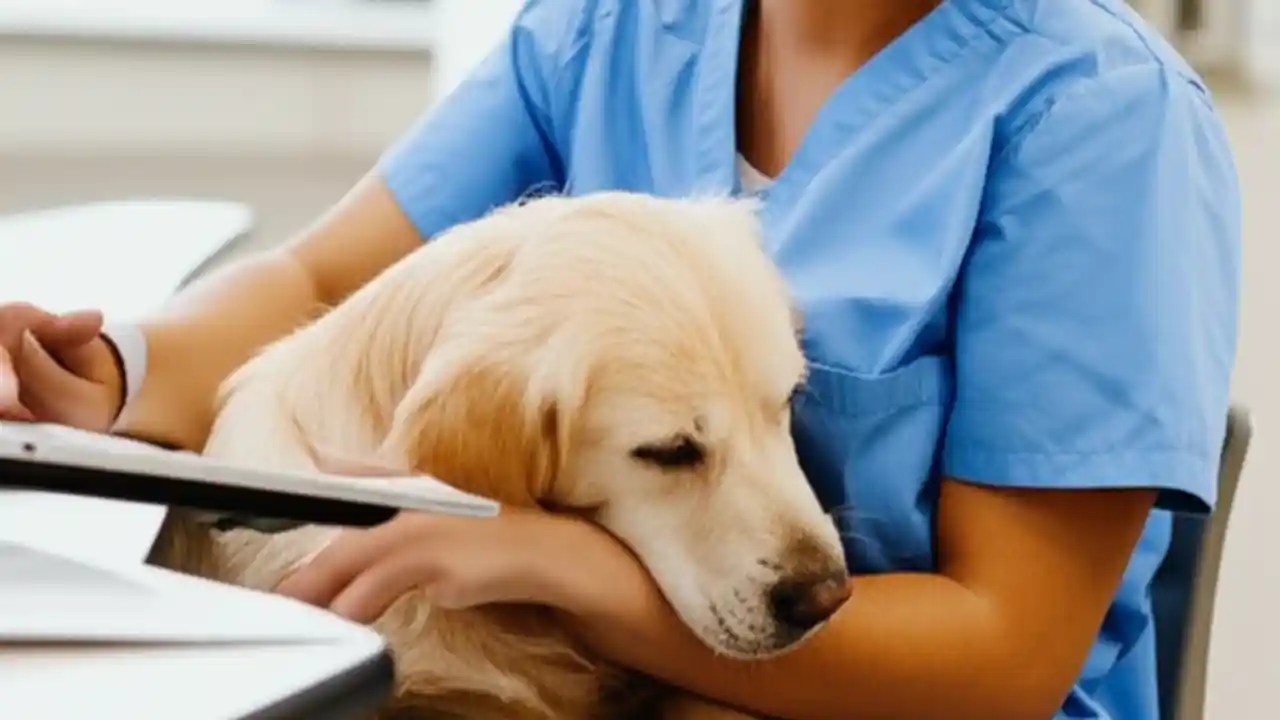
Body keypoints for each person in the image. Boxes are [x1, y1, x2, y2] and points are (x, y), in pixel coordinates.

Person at [0, 0, 1240, 717]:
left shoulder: (1096, 117)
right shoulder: (619, 26)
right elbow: (326, 284)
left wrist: (562, 565)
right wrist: (111, 366)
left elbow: (1006, 655)